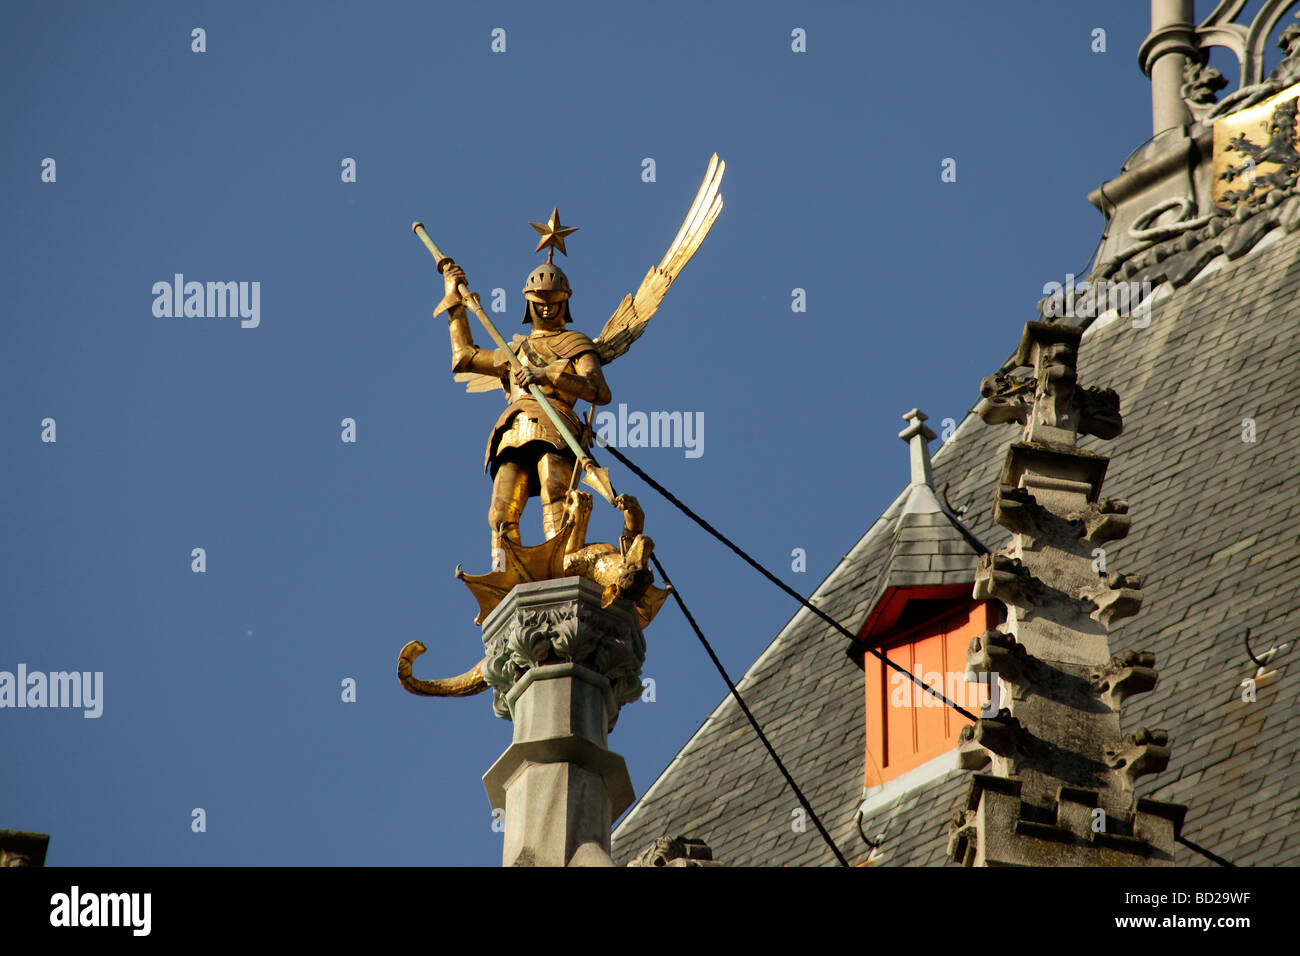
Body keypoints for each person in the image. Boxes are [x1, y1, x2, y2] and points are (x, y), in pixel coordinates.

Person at [439, 259, 611, 571]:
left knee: (555, 493)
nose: (546, 309)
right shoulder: (513, 352)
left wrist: (548, 375)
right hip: (514, 427)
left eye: (553, 303)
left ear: (565, 302)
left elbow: (599, 391)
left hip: (556, 426)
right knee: (501, 513)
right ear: (528, 303)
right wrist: (455, 302)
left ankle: (564, 560)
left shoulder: (576, 344)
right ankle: (503, 570)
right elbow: (463, 358)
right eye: (539, 303)